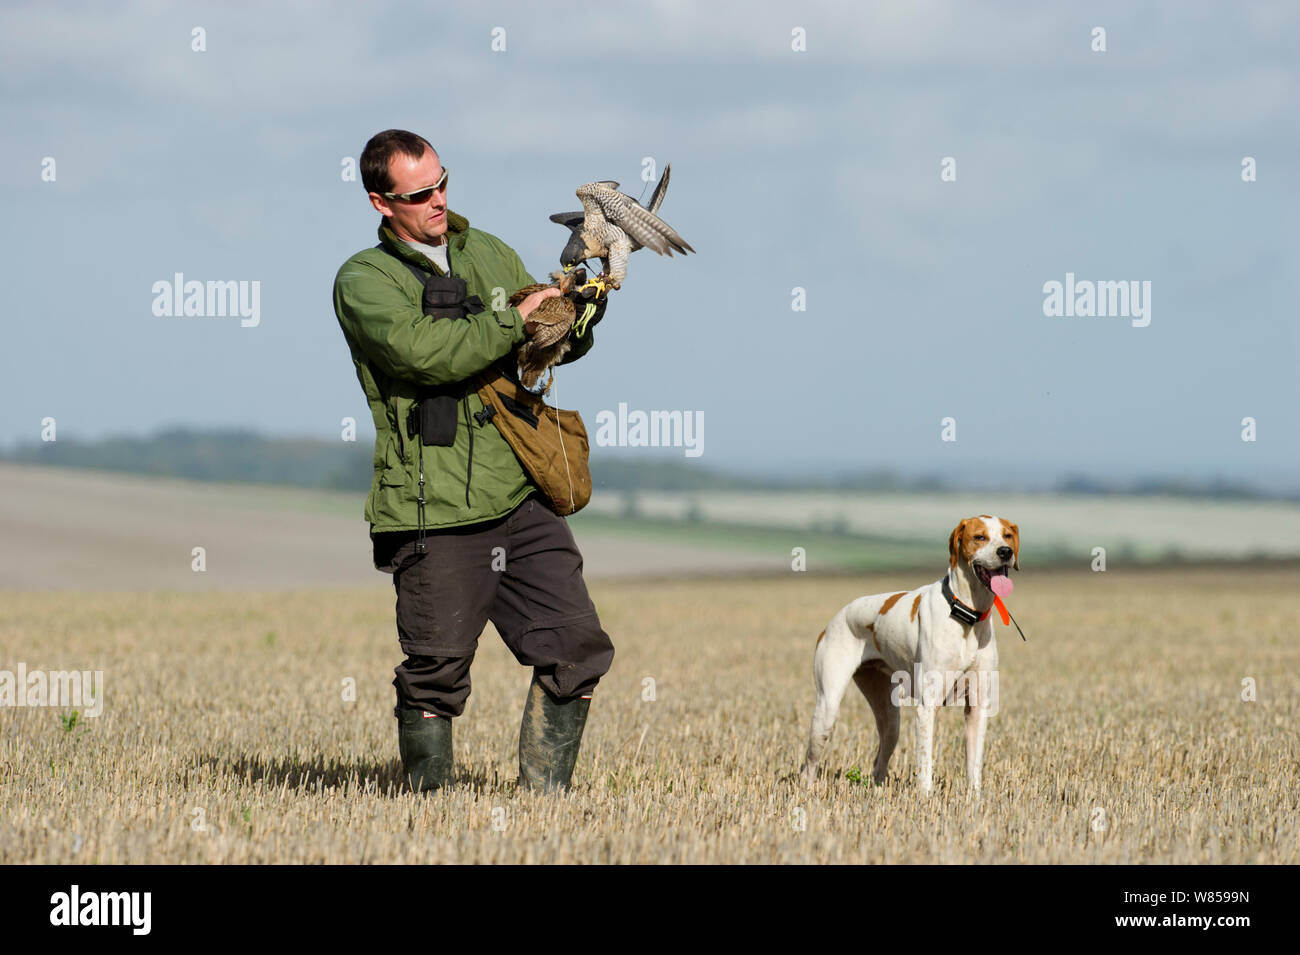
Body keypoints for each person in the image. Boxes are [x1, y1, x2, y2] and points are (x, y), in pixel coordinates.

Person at [332, 129, 614, 794]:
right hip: (436, 508)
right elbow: (427, 355)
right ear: (381, 201)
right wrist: (517, 318)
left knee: (578, 649)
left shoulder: (486, 250)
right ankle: (428, 819)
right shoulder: (363, 281)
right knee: (436, 671)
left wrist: (575, 316)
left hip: (518, 491)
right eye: (420, 192)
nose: (438, 199)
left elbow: (537, 349)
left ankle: (546, 809)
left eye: (443, 181)